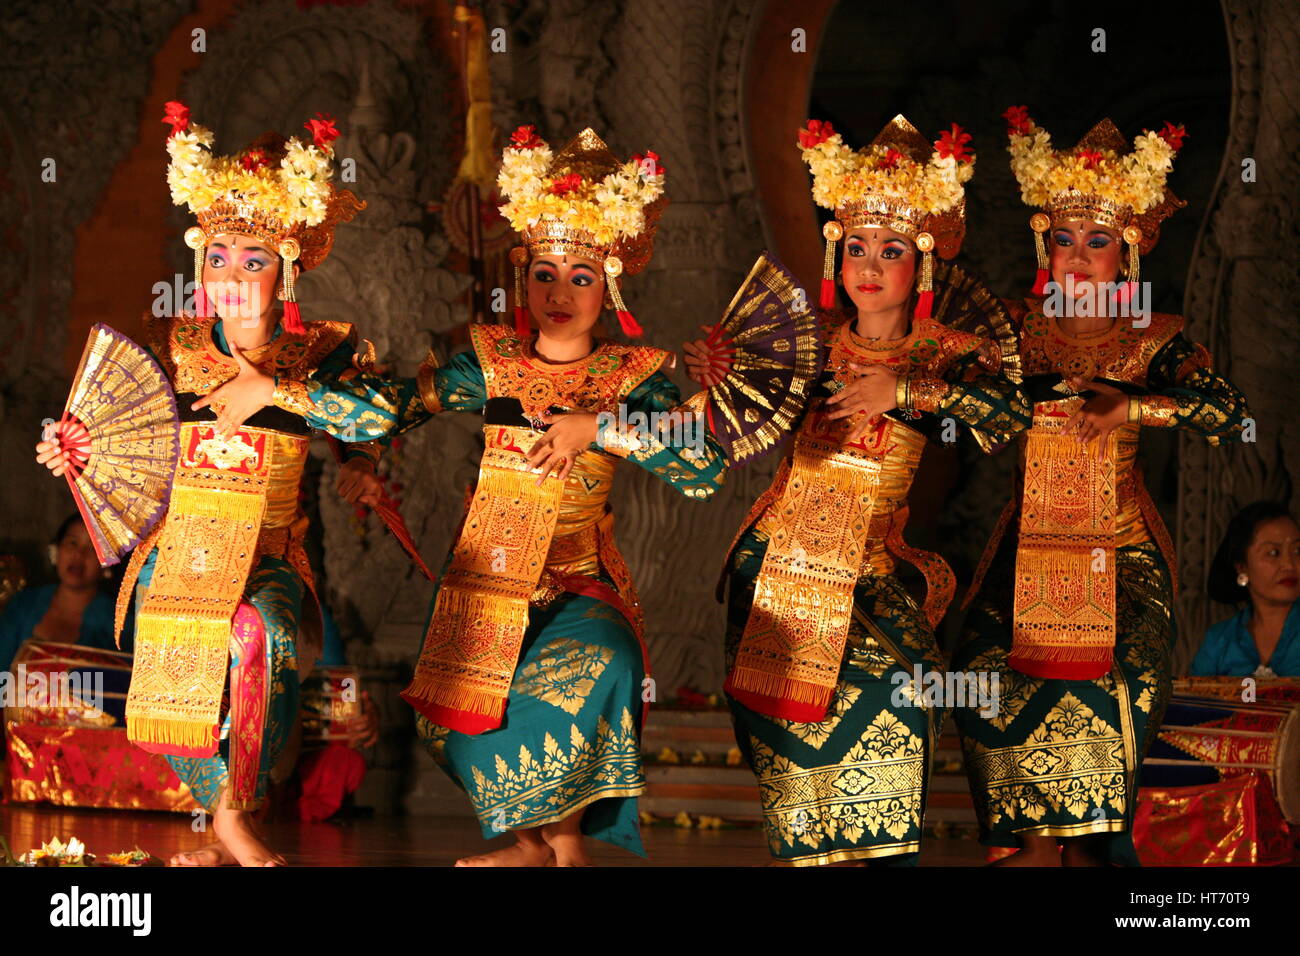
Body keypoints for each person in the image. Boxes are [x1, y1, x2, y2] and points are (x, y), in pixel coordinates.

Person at [306, 126, 727, 865]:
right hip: (488, 580)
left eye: (582, 276)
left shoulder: (634, 376)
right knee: (450, 719)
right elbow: (398, 405)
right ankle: (538, 846)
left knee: (604, 666)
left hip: (578, 582)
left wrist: (598, 426)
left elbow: (703, 468)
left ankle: (560, 849)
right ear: (522, 273)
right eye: (545, 273)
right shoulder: (490, 362)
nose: (560, 294)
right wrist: (362, 450)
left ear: (611, 283)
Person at [35, 102, 384, 866]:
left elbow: (380, 416)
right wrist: (77, 450)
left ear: (286, 268)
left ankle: (234, 815)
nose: (231, 278)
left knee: (260, 634)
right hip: (178, 549)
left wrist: (281, 397)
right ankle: (220, 817)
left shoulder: (320, 351)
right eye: (218, 257)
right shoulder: (172, 343)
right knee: (186, 657)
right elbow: (126, 437)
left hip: (268, 550)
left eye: (253, 262)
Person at [684, 116, 1030, 865]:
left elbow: (1010, 414)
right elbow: (713, 438)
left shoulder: (951, 351)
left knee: (906, 692)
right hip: (779, 565)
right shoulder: (807, 339)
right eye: (856, 246)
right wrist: (713, 385)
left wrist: (907, 386)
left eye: (892, 250)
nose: (868, 263)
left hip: (872, 567)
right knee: (786, 747)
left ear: (924, 261)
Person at [951, 109, 1253, 866]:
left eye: (1097, 242)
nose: (1078, 258)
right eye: (1063, 240)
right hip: (1026, 549)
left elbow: (1228, 413)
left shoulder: (1153, 336)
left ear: (1127, 253)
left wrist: (1133, 403)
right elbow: (949, 386)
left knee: (1116, 680)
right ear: (1044, 247)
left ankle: (1075, 853)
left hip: (1119, 552)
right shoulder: (1012, 332)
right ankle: (1022, 847)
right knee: (984, 670)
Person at [0, 515, 120, 676]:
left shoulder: (117, 623)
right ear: (56, 550)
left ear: (108, 562)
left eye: (93, 548)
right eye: (72, 543)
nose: (79, 555)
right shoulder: (24, 603)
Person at [1191, 502, 1300, 677]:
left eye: (1298, 551)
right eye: (1273, 553)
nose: (1289, 565)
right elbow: (1192, 700)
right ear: (1242, 567)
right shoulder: (1220, 641)